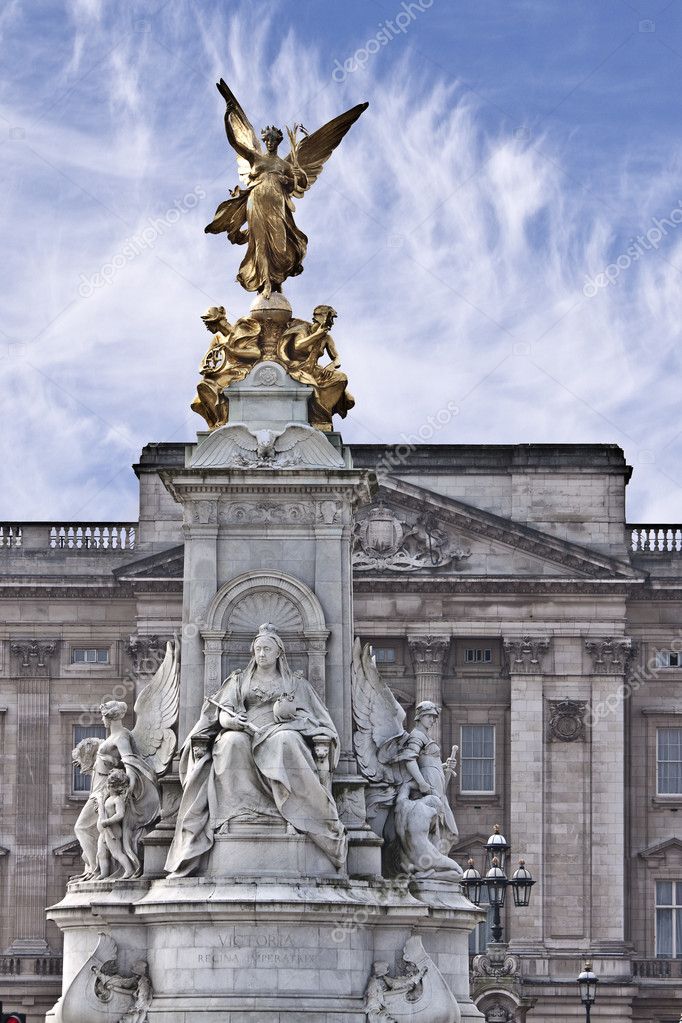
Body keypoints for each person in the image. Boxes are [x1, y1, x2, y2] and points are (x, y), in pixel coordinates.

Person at [166, 623, 347, 876]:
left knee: (286, 741)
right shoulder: (239, 680)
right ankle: (237, 813)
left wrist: (290, 719)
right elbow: (220, 714)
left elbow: (314, 717)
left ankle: (295, 811)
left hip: (280, 732)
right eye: (258, 649)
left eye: (267, 649)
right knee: (230, 743)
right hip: (245, 732)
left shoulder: (295, 683)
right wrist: (231, 722)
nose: (261, 654)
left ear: (278, 653)